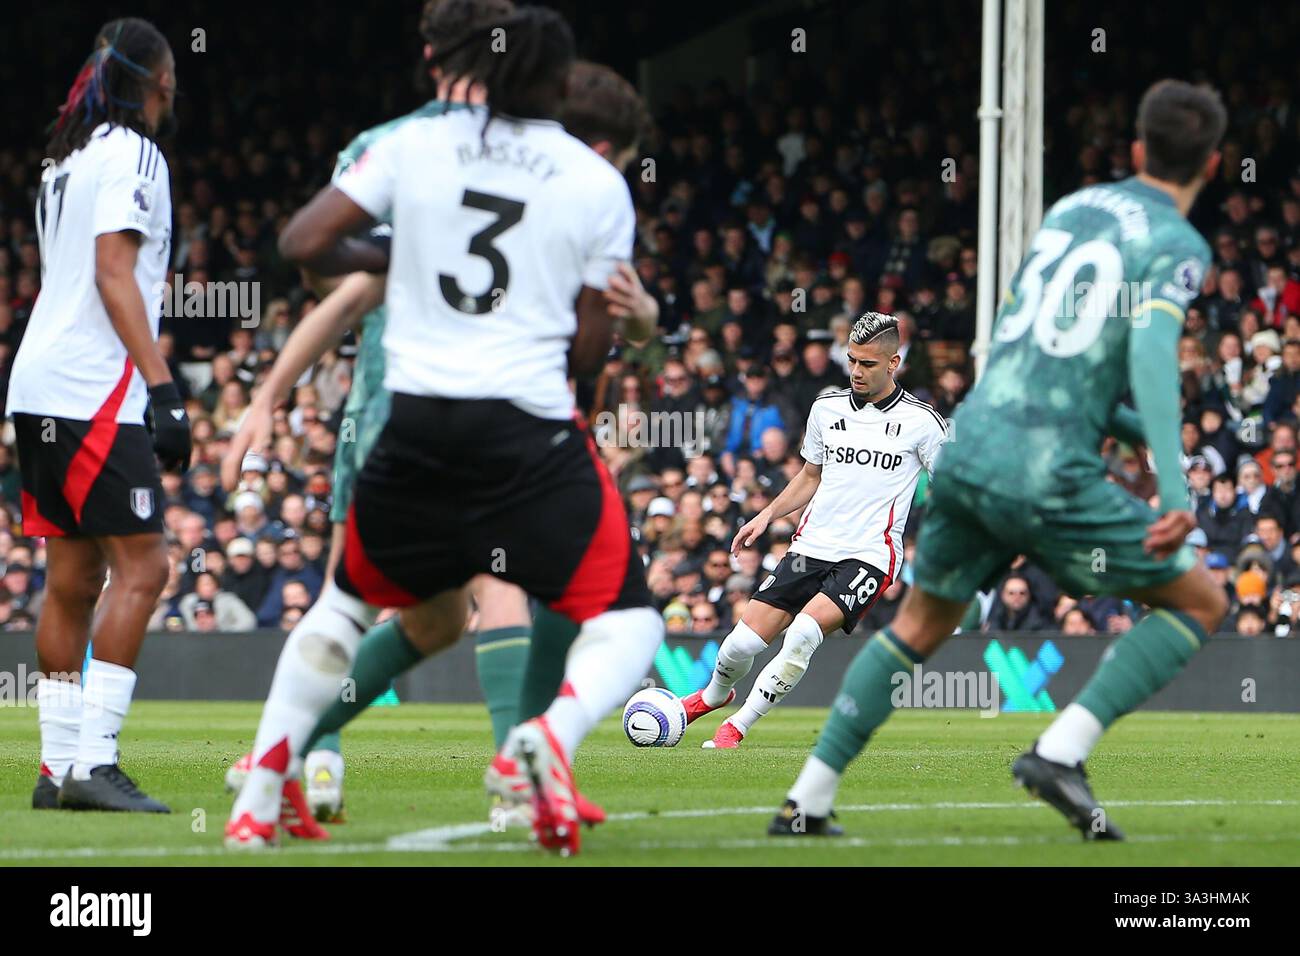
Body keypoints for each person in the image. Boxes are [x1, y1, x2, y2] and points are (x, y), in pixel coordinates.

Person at [226, 9, 663, 856]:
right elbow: (586, 350)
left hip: (414, 426)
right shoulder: (591, 181)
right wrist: (632, 317)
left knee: (345, 605)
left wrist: (401, 256)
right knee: (629, 618)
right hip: (527, 434)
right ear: (559, 84)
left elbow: (303, 242)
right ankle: (548, 741)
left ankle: (260, 794)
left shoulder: (414, 147)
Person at [772, 79, 1229, 840]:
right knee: (1201, 601)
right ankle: (1060, 751)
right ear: (1214, 166)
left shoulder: (1071, 210)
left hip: (969, 445)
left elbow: (1032, 352)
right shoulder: (1177, 243)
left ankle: (806, 803)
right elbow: (1152, 351)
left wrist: (1126, 428)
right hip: (1046, 469)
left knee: (917, 627)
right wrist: (1174, 481)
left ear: (1138, 150)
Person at [8, 18, 189, 813]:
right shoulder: (134, 153)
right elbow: (116, 274)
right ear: (156, 83)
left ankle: (54, 771)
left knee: (74, 579)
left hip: (37, 385)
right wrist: (162, 387)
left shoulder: (66, 159)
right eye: (172, 76)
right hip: (94, 391)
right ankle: (94, 763)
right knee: (146, 567)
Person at [682, 312, 946, 748]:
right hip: (810, 545)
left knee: (803, 633)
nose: (857, 372)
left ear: (894, 363)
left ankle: (739, 725)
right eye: (852, 361)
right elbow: (810, 475)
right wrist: (766, 515)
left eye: (868, 364)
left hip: (869, 554)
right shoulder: (826, 409)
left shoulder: (923, 423)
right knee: (739, 646)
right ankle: (712, 697)